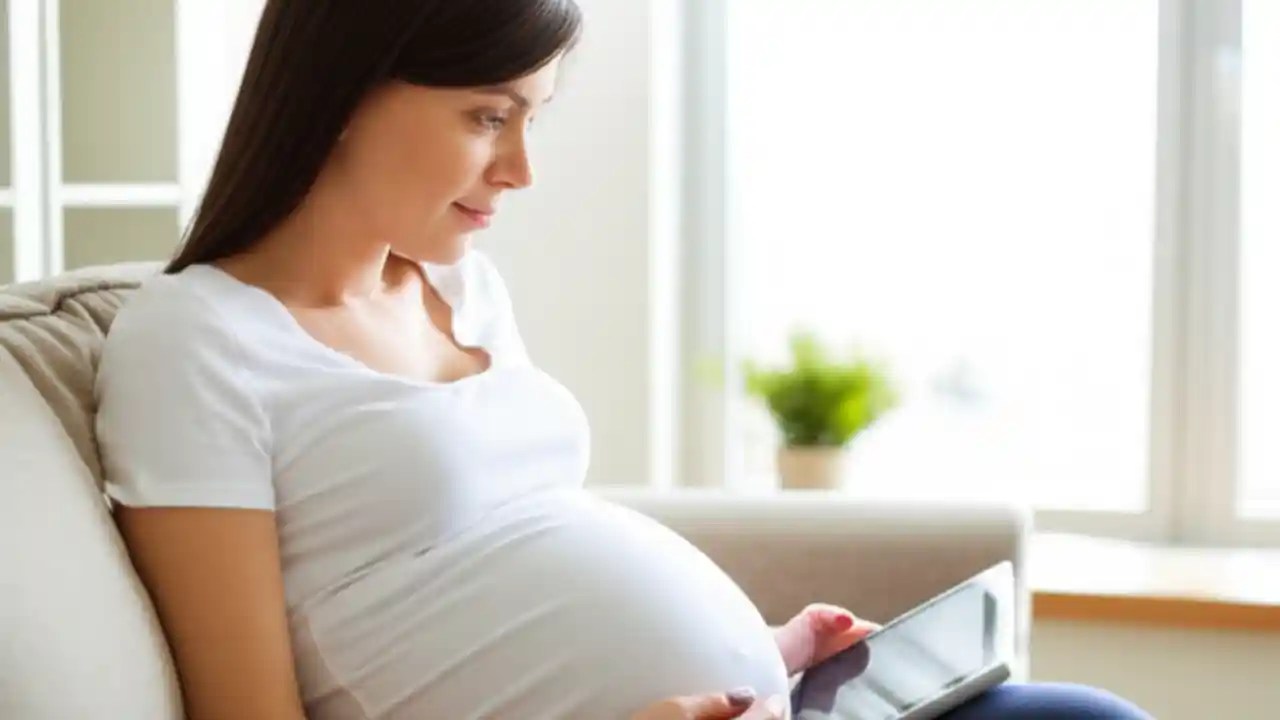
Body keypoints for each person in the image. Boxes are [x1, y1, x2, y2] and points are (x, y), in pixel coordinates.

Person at [93, 2, 1153, 719]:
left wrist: (764, 654)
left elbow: (510, 562)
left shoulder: (459, 289)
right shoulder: (194, 342)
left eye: (531, 118)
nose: (519, 169)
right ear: (342, 90)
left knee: (1092, 714)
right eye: (486, 116)